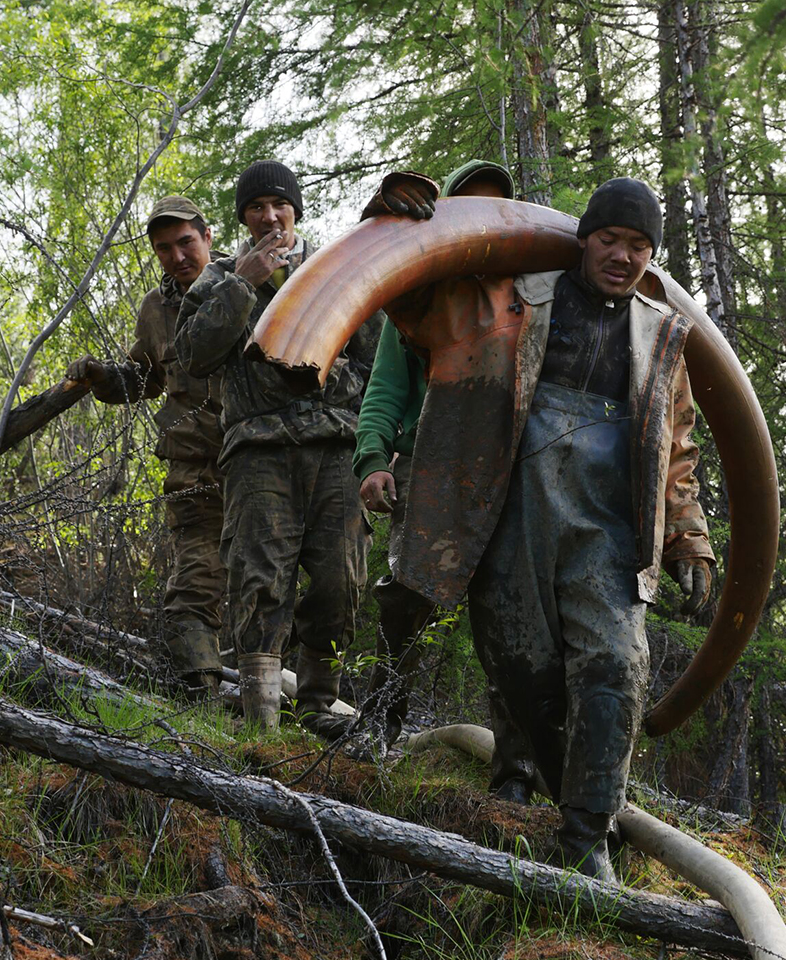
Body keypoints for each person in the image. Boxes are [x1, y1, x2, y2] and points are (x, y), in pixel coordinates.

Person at [367, 173, 715, 882]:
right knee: (527, 676)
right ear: (584, 239)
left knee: (618, 664)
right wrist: (391, 221)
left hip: (608, 529)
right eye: (610, 239)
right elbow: (410, 299)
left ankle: (588, 840)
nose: (622, 256)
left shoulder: (663, 337)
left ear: (652, 256)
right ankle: (555, 802)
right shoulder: (512, 299)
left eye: (639, 245)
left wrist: (687, 536)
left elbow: (676, 452)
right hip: (510, 510)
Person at [353, 159, 538, 802]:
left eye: (497, 207)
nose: (484, 220)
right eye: (469, 207)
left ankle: (514, 775)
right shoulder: (423, 297)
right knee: (405, 602)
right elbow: (383, 392)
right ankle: (375, 733)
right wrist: (374, 461)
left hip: (514, 483)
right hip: (432, 471)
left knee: (511, 622)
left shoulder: (536, 295)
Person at [176, 160, 373, 736]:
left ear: (296, 210)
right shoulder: (217, 279)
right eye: (255, 207)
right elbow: (194, 356)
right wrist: (245, 282)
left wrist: (315, 377)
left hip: (337, 448)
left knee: (341, 578)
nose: (268, 217)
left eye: (278, 206)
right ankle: (261, 720)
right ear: (241, 216)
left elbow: (377, 362)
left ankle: (318, 703)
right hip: (257, 451)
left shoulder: (334, 269)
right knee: (259, 578)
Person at [66, 196, 227, 701]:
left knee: (272, 594)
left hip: (262, 466)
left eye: (186, 242)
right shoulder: (155, 309)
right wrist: (100, 377)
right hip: (195, 477)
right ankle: (203, 709)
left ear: (207, 236)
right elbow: (144, 379)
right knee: (191, 596)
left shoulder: (245, 286)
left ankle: (292, 712)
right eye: (164, 249)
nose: (177, 256)